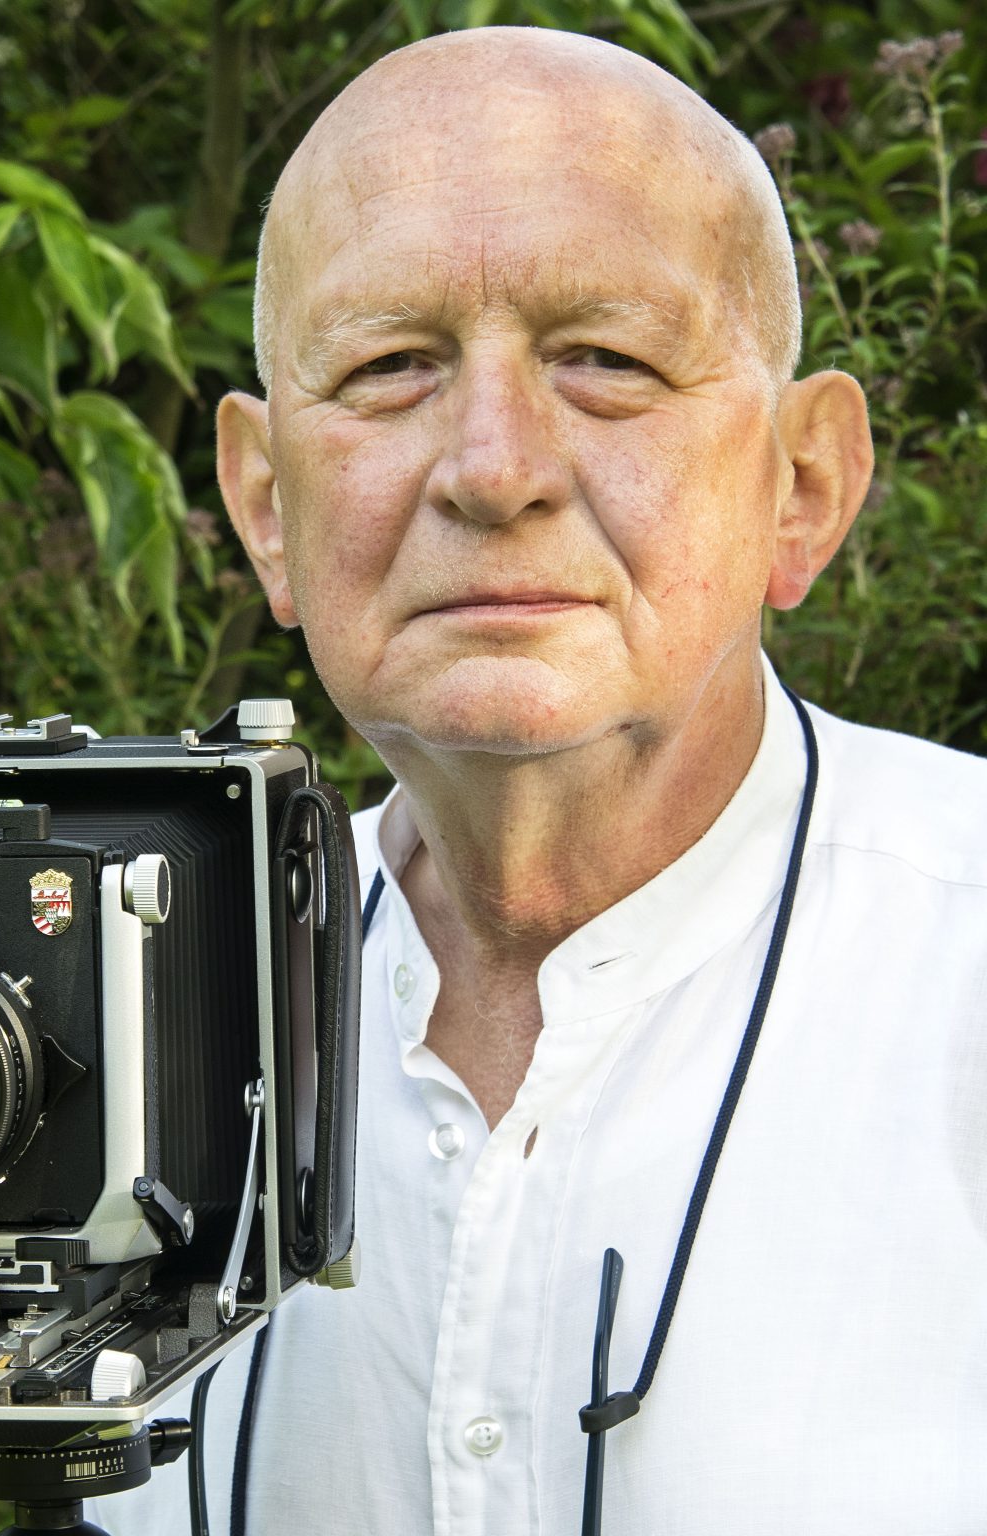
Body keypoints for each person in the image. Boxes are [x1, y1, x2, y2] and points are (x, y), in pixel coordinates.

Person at [96, 25, 987, 1535]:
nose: (493, 467)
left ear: (808, 484)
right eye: (389, 368)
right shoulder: (128, 1024)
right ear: (263, 506)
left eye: (607, 361)